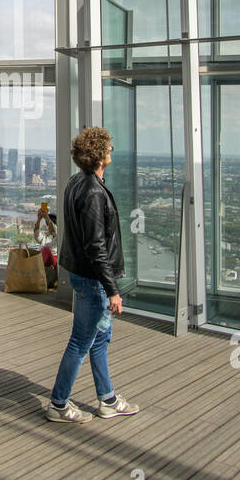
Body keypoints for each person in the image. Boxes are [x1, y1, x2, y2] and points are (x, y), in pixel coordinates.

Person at [44, 126, 139, 422]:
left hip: (85, 276)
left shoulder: (76, 182)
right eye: (108, 148)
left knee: (99, 338)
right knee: (81, 340)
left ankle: (107, 399)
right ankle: (58, 404)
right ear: (99, 155)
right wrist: (112, 290)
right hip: (94, 280)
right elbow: (97, 246)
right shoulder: (94, 192)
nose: (112, 151)